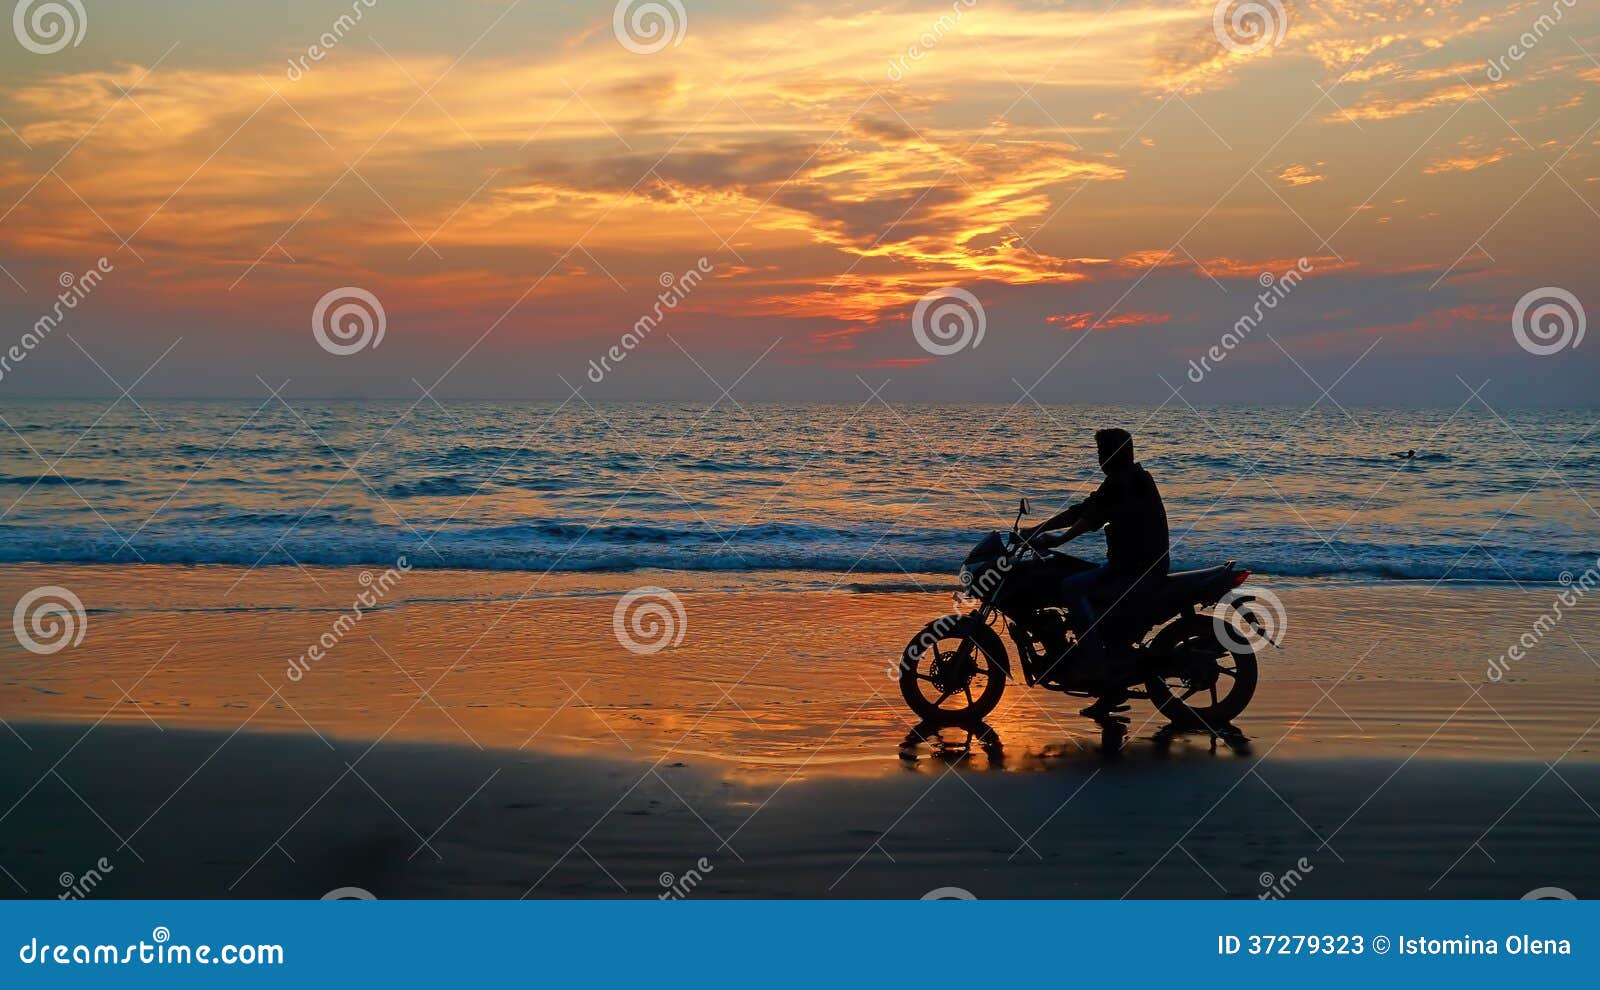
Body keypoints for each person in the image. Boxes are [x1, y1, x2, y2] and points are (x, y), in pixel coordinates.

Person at [1021, 428, 1170, 713]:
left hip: (1136, 569)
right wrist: (1038, 529)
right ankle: (1109, 689)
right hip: (1133, 566)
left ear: (1114, 453)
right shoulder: (1128, 478)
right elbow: (1084, 509)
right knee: (1076, 579)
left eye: (1102, 451)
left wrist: (1060, 539)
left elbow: (1090, 519)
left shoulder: (1124, 482)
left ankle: (1094, 663)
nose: (1099, 458)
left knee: (1071, 587)